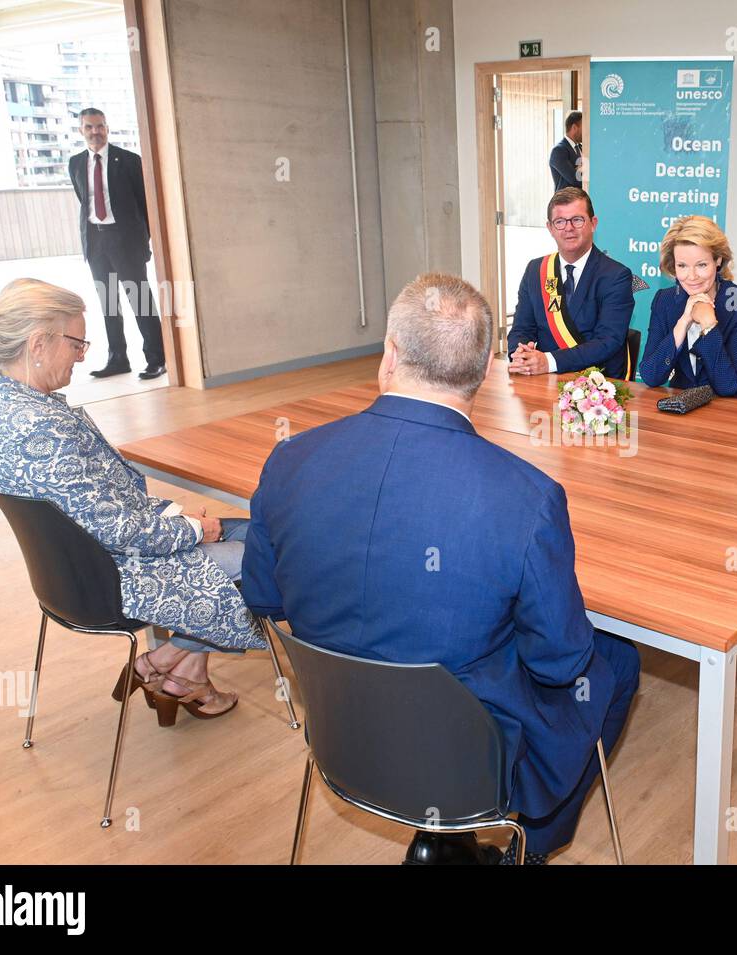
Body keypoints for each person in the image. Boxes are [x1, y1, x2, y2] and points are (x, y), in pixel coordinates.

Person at [242, 274, 640, 865]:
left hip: (339, 731)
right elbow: (559, 663)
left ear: (390, 355)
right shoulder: (528, 496)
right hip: (467, 750)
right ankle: (531, 848)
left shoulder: (290, 458)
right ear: (483, 370)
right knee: (618, 659)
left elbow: (264, 596)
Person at [0, 279, 265, 721]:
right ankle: (168, 666)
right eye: (75, 342)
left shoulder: (6, 406)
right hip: (111, 578)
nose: (82, 353)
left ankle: (177, 668)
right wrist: (191, 527)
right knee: (269, 557)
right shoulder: (41, 426)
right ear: (38, 343)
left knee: (262, 531)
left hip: (72, 570)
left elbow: (90, 509)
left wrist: (173, 516)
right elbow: (117, 531)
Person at [68, 107, 166, 380]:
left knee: (140, 301)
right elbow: (84, 199)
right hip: (96, 242)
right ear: (81, 131)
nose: (95, 132)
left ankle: (157, 359)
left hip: (126, 243)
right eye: (89, 127)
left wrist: (142, 242)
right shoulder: (76, 163)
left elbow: (145, 206)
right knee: (109, 304)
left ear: (107, 128)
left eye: (99, 126)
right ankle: (118, 359)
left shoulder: (130, 160)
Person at [507, 187, 635, 380]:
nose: (568, 228)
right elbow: (521, 329)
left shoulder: (616, 276)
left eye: (577, 220)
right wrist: (521, 355)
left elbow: (607, 342)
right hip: (541, 382)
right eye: (560, 221)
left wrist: (548, 361)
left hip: (597, 387)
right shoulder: (536, 270)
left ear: (593, 223)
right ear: (550, 228)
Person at [638, 215, 737, 401]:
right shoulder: (664, 301)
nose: (692, 276)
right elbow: (651, 375)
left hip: (735, 408)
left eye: (701, 265)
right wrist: (683, 323)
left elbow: (727, 386)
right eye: (682, 265)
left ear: (718, 259)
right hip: (686, 405)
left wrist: (708, 324)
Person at [548, 111, 584, 191]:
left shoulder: (581, 147)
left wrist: (580, 169)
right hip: (565, 201)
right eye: (584, 128)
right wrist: (583, 169)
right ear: (574, 127)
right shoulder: (558, 151)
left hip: (580, 200)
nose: (586, 131)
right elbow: (576, 180)